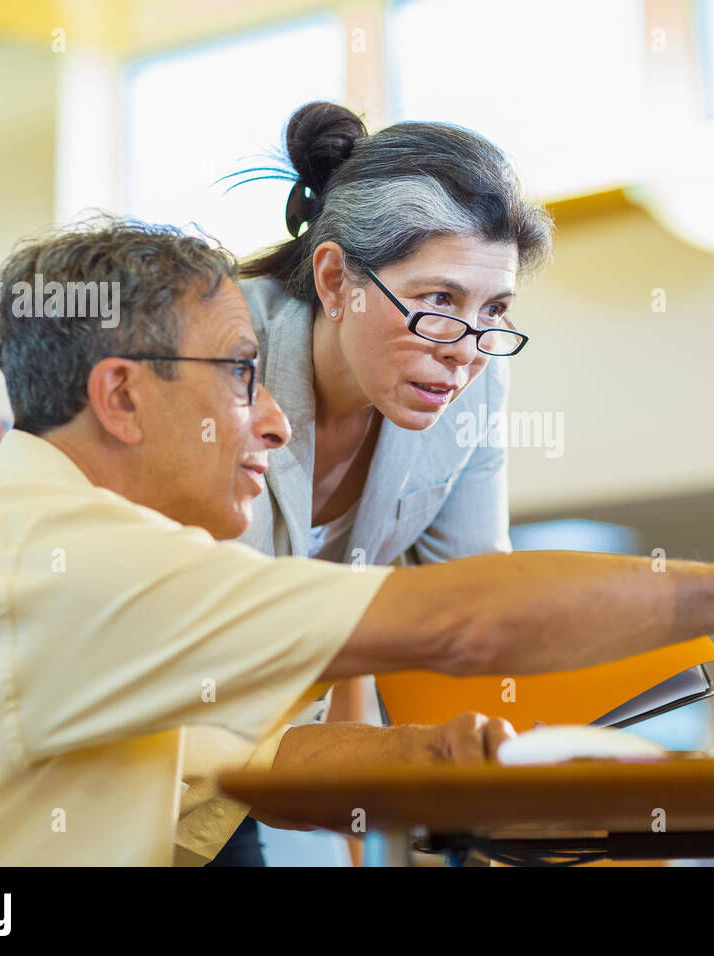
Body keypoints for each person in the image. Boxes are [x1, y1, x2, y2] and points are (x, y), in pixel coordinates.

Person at [0, 219, 714, 865]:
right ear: (123, 397)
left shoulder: (29, 544)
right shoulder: (69, 556)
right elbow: (458, 620)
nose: (272, 423)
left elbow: (257, 761)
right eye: (240, 375)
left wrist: (461, 761)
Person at [204, 101, 548, 864]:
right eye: (437, 302)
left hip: (266, 742)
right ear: (335, 279)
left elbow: (469, 603)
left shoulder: (473, 388)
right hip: (137, 726)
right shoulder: (217, 359)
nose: (466, 350)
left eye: (494, 309)